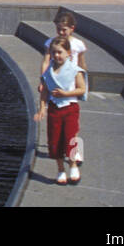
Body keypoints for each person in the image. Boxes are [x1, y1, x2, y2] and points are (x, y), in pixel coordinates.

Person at [37, 10, 88, 163]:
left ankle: (75, 150)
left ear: (72, 28)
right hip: (56, 81)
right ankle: (57, 144)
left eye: (64, 29)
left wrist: (84, 79)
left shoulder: (78, 44)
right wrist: (42, 80)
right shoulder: (51, 43)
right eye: (58, 29)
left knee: (73, 122)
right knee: (58, 117)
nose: (61, 32)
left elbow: (82, 63)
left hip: (72, 84)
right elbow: (46, 61)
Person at [35, 36, 87, 185]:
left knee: (70, 137)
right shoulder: (49, 71)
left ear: (68, 53)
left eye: (60, 52)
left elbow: (81, 89)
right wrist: (42, 108)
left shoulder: (74, 70)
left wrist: (66, 94)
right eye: (54, 52)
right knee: (55, 140)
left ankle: (73, 165)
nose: (57, 55)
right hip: (54, 109)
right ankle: (60, 169)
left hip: (70, 107)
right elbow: (45, 90)